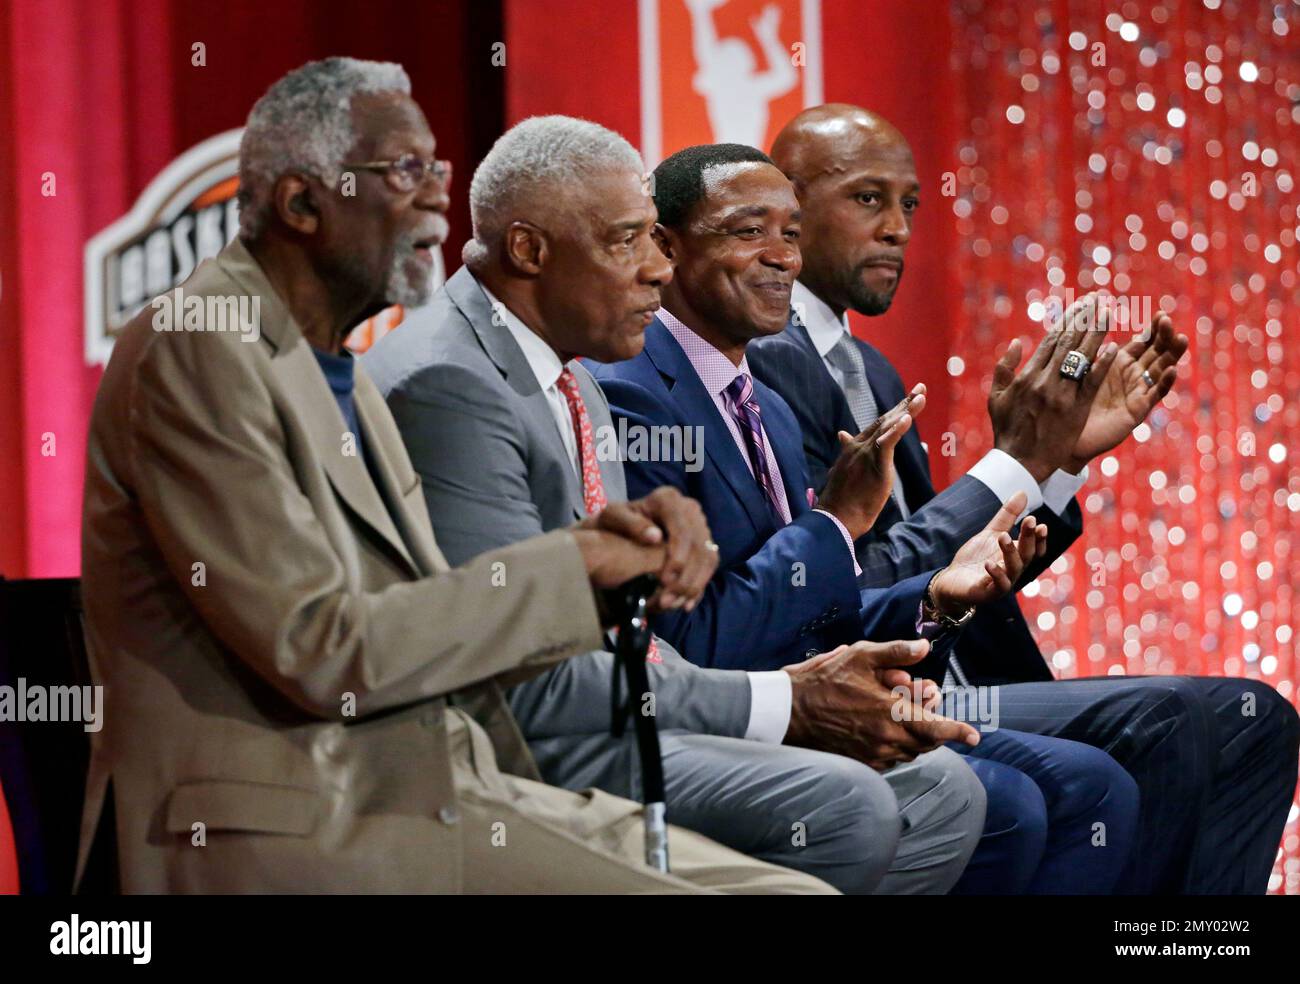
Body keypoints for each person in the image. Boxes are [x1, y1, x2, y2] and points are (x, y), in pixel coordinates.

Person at [74, 58, 840, 895]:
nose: (440, 197)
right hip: (291, 814)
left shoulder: (341, 366)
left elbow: (431, 618)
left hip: (431, 778)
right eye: (402, 171)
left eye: (434, 168)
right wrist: (576, 565)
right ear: (301, 203)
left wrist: (614, 564)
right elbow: (320, 647)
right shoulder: (202, 348)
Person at [365, 115, 989, 894]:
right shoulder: (453, 385)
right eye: (629, 241)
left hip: (620, 700)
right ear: (529, 250)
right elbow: (520, 681)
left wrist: (814, 677)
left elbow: (631, 626)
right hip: (524, 745)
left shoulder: (575, 377)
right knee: (852, 807)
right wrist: (783, 702)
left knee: (938, 791)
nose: (656, 273)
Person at [746, 103, 1300, 893]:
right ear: (787, 209)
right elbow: (852, 579)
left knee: (1258, 722)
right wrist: (1013, 461)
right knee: (1174, 723)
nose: (899, 227)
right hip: (865, 680)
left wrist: (1055, 466)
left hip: (954, 665)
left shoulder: (869, 371)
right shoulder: (763, 363)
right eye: (868, 199)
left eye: (910, 203)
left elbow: (958, 565)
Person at [591, 142, 1141, 894]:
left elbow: (822, 614)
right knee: (1015, 801)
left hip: (833, 694)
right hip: (724, 720)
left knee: (1089, 787)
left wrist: (936, 600)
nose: (783, 255)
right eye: (749, 231)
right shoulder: (630, 393)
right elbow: (698, 637)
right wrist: (837, 524)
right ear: (665, 244)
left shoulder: (771, 411)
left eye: (791, 232)